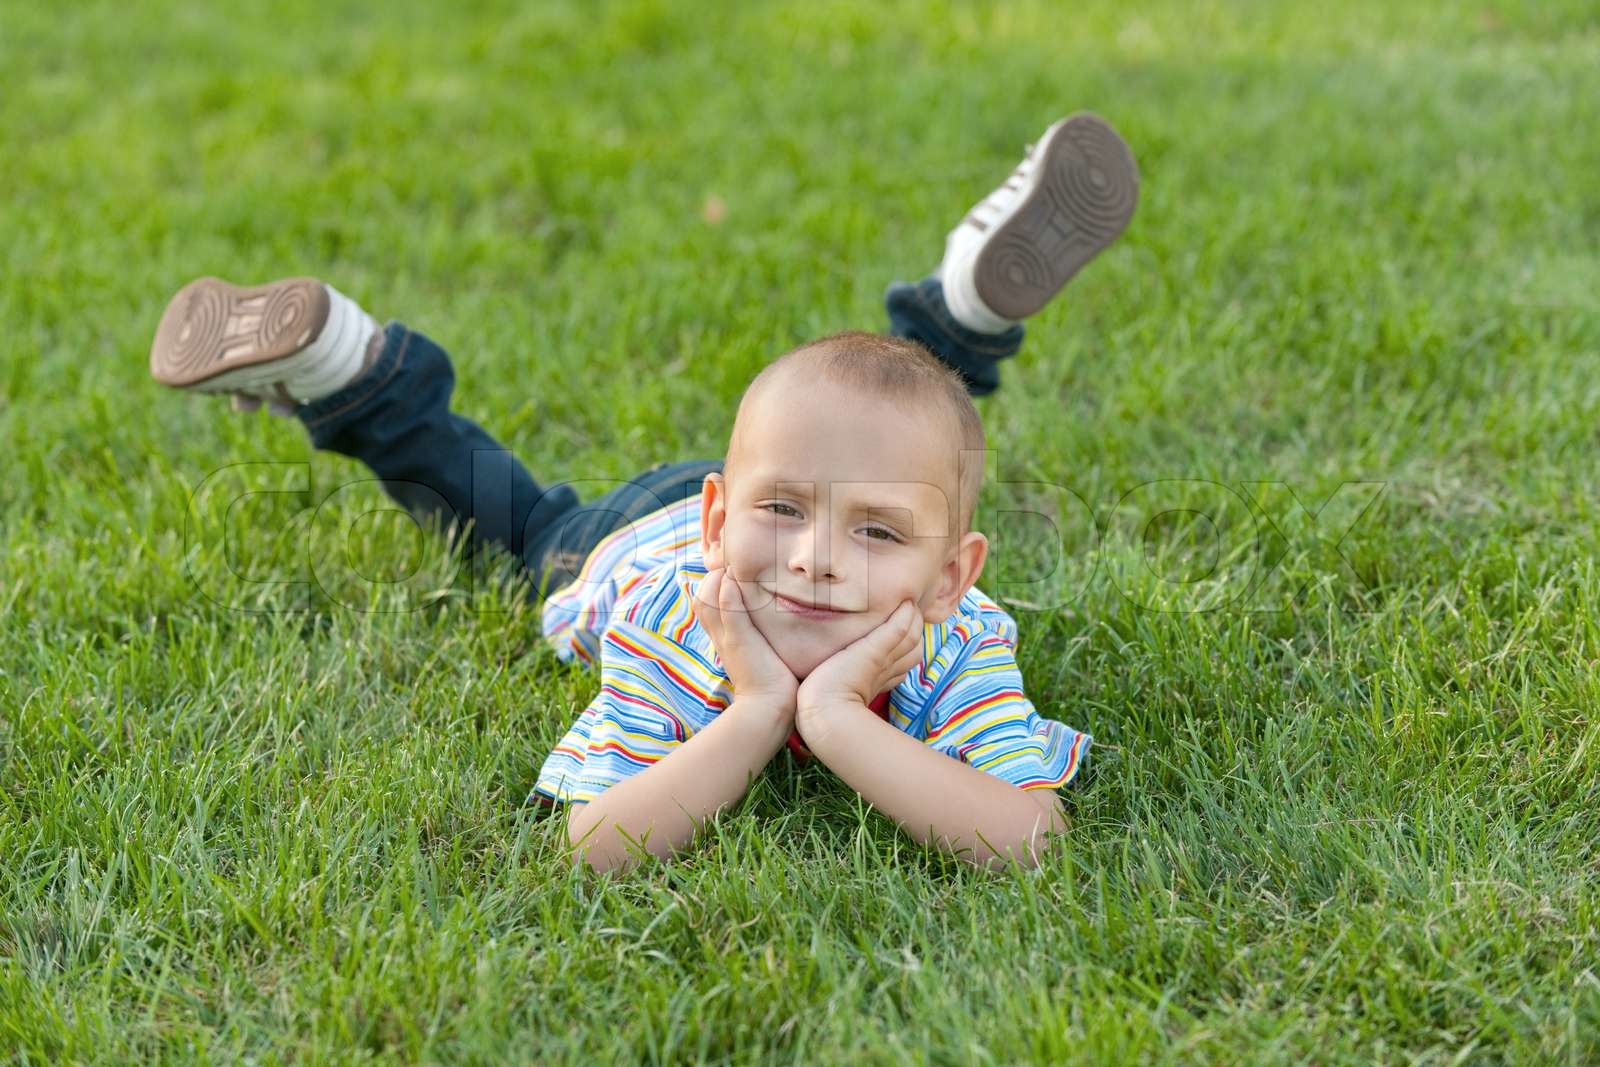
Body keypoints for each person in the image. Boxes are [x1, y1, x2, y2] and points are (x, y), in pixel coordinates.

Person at [149, 112, 1139, 874]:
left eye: (876, 531)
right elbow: (593, 844)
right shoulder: (675, 621)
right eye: (793, 518)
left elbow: (1030, 837)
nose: (816, 557)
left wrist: (835, 715)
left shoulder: (956, 635)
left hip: (762, 477)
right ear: (720, 518)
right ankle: (349, 370)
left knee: (890, 419)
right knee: (515, 520)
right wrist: (756, 710)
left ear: (950, 579)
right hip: (619, 541)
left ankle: (960, 309)